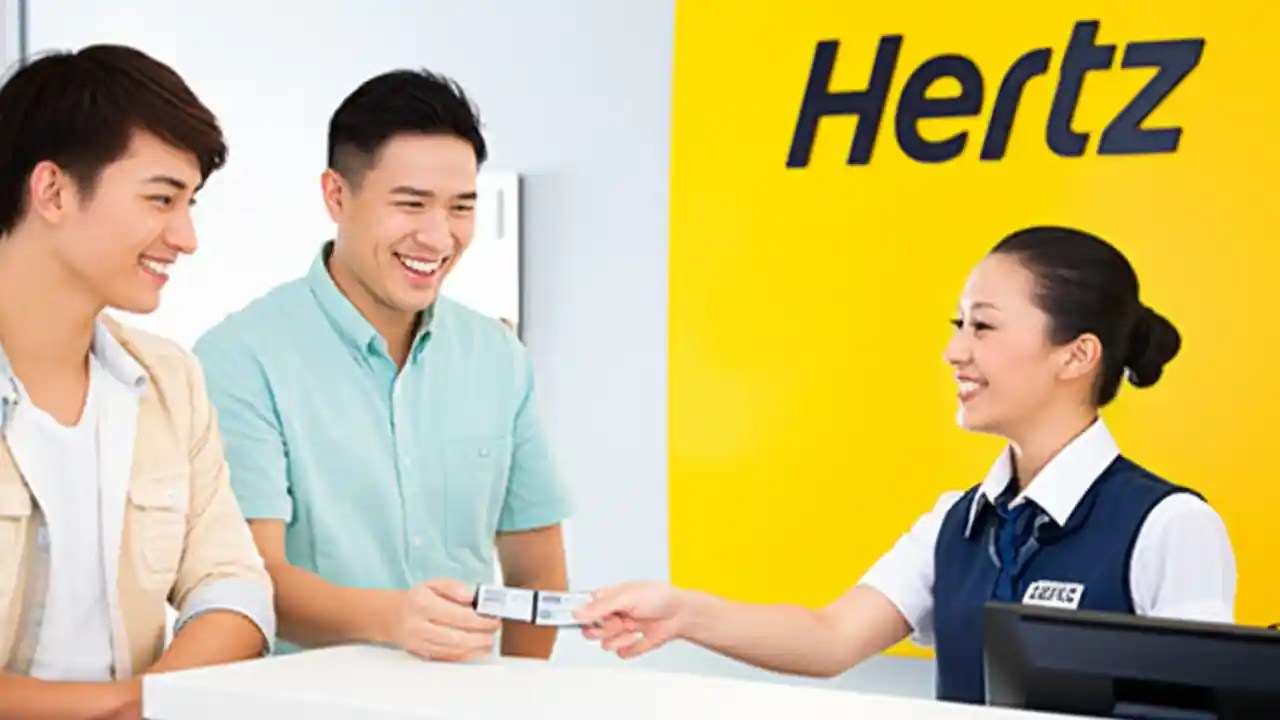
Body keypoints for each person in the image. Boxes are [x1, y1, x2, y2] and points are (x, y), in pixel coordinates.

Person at [574, 226, 1236, 704]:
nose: (954, 351)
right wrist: (683, 613)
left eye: (983, 327)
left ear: (1076, 355)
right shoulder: (957, 523)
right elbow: (830, 638)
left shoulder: (1168, 525)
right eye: (958, 325)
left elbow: (1201, 709)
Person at [192, 68, 572, 662]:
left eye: (461, 207)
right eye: (411, 205)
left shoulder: (498, 357)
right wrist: (395, 619)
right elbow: (245, 581)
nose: (439, 236)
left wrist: (518, 699)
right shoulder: (240, 358)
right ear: (336, 196)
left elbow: (536, 574)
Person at [0, 45, 275, 719]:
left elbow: (235, 588)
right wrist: (125, 706)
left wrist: (146, 703)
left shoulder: (168, 380)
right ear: (54, 191)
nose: (185, 237)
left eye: (190, 203)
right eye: (162, 199)